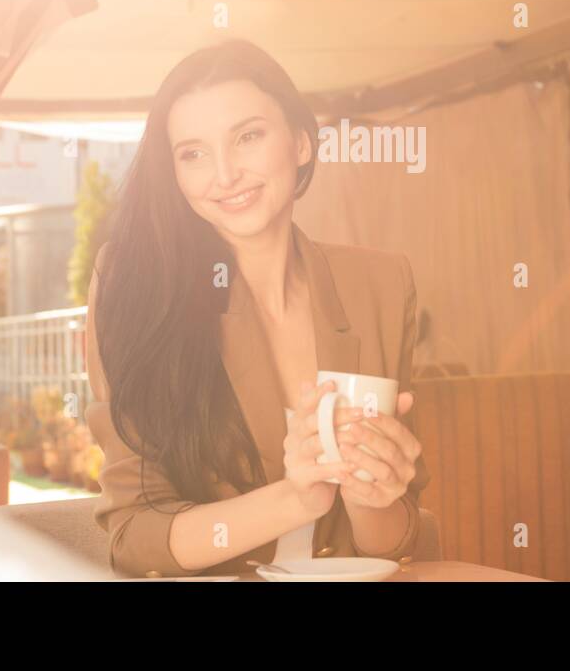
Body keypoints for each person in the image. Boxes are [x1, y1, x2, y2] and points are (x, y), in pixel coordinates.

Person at [84, 39, 429, 577]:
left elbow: (399, 536)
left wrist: (373, 495)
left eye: (247, 137)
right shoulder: (133, 286)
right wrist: (297, 499)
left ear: (300, 142)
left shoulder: (381, 283)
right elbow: (134, 536)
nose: (224, 175)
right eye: (193, 153)